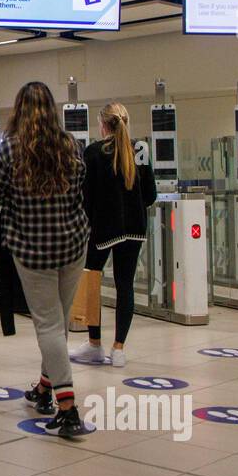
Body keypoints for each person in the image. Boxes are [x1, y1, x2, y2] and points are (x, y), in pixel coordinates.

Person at [0, 82, 90, 436]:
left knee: (48, 326)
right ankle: (44, 389)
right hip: (73, 245)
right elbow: (80, 191)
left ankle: (67, 407)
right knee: (56, 324)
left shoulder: (10, 150)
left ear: (19, 110)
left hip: (32, 249)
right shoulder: (71, 145)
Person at [71, 103, 156, 368]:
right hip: (134, 228)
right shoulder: (139, 150)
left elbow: (85, 196)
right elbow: (150, 195)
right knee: (125, 285)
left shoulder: (94, 152)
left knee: (91, 279)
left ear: (103, 125)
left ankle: (94, 343)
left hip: (104, 229)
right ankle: (119, 348)